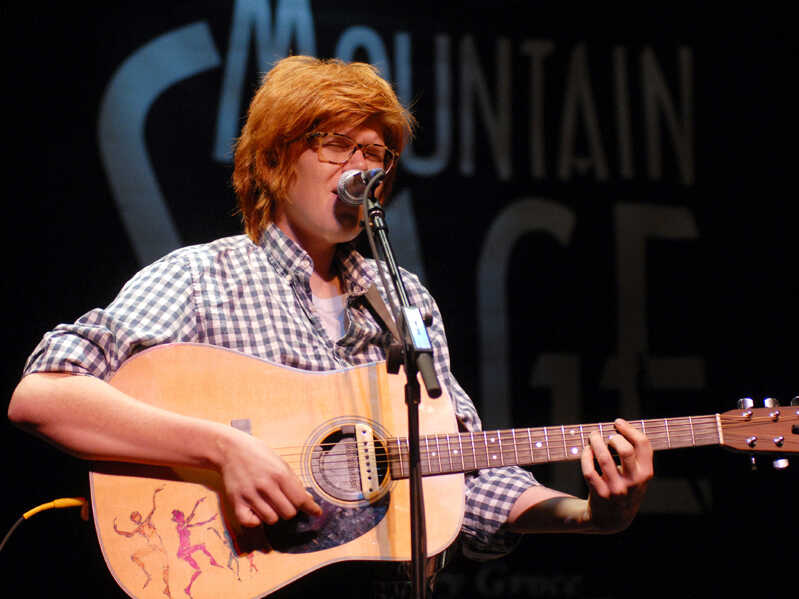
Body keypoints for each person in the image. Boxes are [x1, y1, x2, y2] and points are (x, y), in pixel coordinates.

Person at [8, 56, 653, 595]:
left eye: (377, 152)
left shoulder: (405, 304)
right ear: (272, 162)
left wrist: (596, 515)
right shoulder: (204, 277)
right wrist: (223, 449)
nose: (362, 167)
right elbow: (43, 395)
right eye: (336, 143)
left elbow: (465, 476)